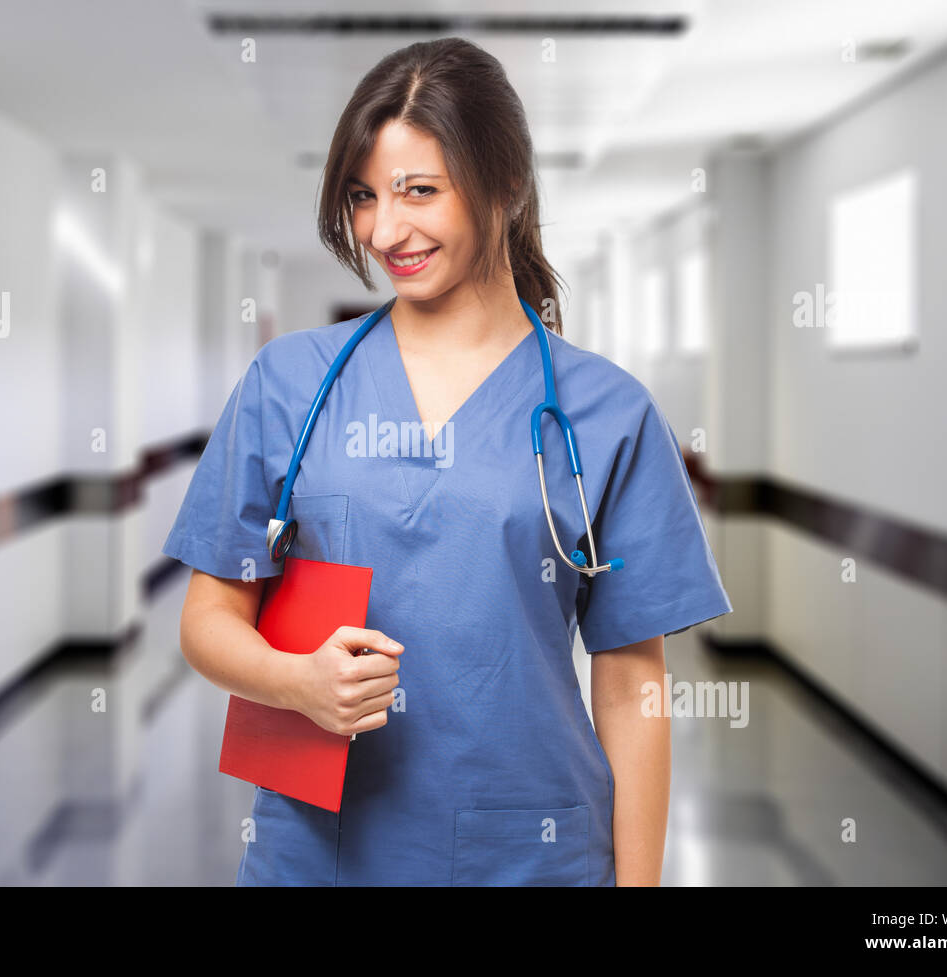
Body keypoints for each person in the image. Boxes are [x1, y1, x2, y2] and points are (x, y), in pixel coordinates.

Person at [163, 37, 732, 886]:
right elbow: (208, 617)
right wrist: (295, 681)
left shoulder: (605, 413)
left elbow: (630, 681)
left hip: (534, 854)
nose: (385, 230)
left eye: (418, 191)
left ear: (505, 187)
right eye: (364, 197)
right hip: (319, 853)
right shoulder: (290, 383)